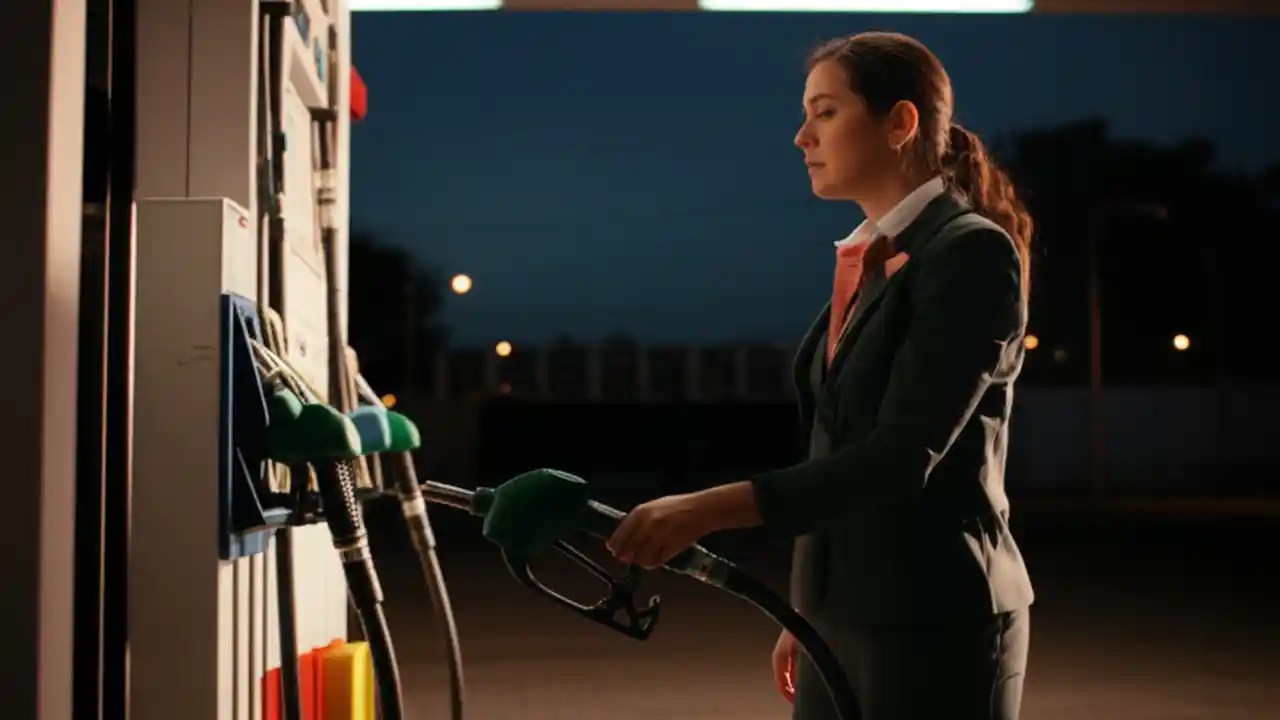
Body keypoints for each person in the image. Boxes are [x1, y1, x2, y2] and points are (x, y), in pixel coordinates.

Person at [605, 30, 1036, 720]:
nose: (802, 136)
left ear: (901, 122)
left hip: (936, 619)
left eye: (826, 112)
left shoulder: (971, 253)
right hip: (844, 614)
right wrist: (808, 607)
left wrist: (703, 510)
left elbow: (897, 459)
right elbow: (834, 448)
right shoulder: (874, 258)